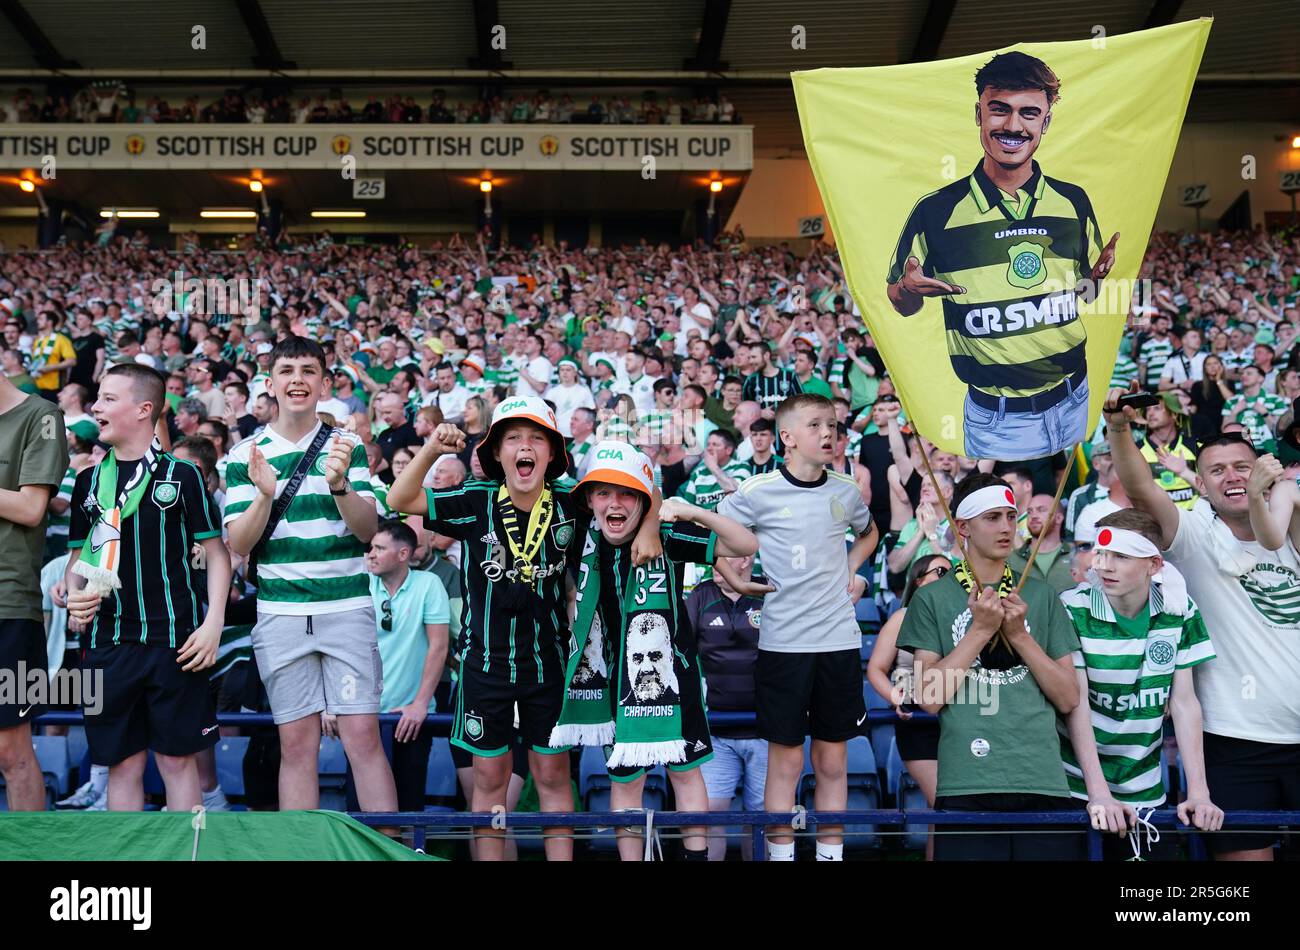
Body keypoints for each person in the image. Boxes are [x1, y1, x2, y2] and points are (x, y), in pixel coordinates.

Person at [386, 395, 662, 861]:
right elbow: (398, 499)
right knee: (489, 784)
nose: (524, 446)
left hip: (550, 667)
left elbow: (639, 490)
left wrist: (652, 523)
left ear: (553, 452)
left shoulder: (572, 502)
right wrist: (432, 450)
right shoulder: (475, 499)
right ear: (497, 453)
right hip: (482, 667)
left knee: (553, 777)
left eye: (536, 437)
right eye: (513, 437)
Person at [885, 51, 1118, 459]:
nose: (1013, 126)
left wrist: (1095, 281)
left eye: (1029, 113)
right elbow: (899, 304)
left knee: (1063, 514)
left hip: (1075, 397)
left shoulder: (1072, 201)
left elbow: (1084, 297)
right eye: (999, 110)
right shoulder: (935, 211)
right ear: (979, 114)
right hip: (997, 420)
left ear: (1045, 121)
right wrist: (908, 287)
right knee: (996, 519)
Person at [1104, 384, 1300, 861]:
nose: (1230, 477)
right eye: (1216, 470)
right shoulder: (1192, 533)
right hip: (1235, 738)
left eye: (1241, 466)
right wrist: (1119, 428)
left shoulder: (1292, 522)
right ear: (1201, 482)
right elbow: (1140, 485)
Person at [552, 442, 758, 861]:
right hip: (612, 680)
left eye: (627, 493)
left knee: (685, 773)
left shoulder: (666, 533)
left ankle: (696, 856)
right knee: (626, 781)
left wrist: (689, 510)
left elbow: (744, 542)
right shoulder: (576, 534)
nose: (614, 502)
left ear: (644, 503)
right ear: (589, 499)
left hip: (674, 677)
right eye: (604, 492)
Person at [223, 336, 397, 813]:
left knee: (362, 738)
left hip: (345, 609)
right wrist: (263, 494)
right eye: (286, 371)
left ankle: (385, 847)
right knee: (297, 744)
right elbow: (239, 544)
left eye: (307, 371)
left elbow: (366, 531)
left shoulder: (348, 447)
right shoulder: (244, 455)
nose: (296, 379)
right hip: (280, 613)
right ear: (271, 382)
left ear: (324, 382)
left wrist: (340, 484)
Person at [717, 393, 879, 861]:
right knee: (785, 762)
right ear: (787, 437)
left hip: (837, 642)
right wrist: (735, 580)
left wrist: (851, 567)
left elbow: (869, 532)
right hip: (783, 645)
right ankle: (782, 856)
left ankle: (831, 855)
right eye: (815, 425)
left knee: (832, 760)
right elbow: (717, 539)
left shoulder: (846, 490)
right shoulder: (756, 490)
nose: (827, 433)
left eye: (832, 425)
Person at [64, 364, 230, 811]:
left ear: (143, 410)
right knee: (122, 765)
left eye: (108, 399)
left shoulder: (183, 476)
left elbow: (217, 555)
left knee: (178, 763)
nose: (96, 406)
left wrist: (214, 622)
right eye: (98, 398)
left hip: (175, 641)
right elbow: (77, 563)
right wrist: (72, 594)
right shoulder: (88, 482)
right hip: (107, 642)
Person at [897, 472, 1081, 861]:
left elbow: (1068, 697)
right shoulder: (931, 598)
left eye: (1011, 516)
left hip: (1042, 778)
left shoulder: (1041, 593)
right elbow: (929, 699)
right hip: (967, 779)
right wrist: (980, 631)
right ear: (962, 526)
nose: (1007, 527)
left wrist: (1020, 637)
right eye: (992, 517)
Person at [1059, 509, 1222, 860]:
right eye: (1101, 553)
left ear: (1154, 565)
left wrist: (1198, 791)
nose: (1104, 566)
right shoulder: (1072, 608)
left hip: (1146, 789)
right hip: (1075, 787)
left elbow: (1184, 703)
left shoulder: (1181, 610)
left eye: (1120, 556)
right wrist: (1099, 794)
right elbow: (1076, 704)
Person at [0, 364, 69, 810]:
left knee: (11, 751)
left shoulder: (41, 415)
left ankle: (32, 856)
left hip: (8, 603)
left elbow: (31, 507)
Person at [358, 520, 449, 813]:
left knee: (409, 810)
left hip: (410, 717)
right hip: (361, 717)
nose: (370, 554)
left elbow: (439, 646)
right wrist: (337, 703)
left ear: (403, 554)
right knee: (361, 813)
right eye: (371, 547)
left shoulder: (428, 584)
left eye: (379, 548)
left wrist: (420, 704)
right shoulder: (359, 582)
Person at [867, 554, 951, 861]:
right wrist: (894, 696)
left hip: (956, 721)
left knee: (939, 810)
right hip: (918, 723)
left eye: (953, 572)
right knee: (943, 804)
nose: (949, 576)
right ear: (919, 580)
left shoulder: (961, 618)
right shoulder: (902, 617)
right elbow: (876, 669)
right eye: (940, 571)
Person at [686, 551, 768, 861]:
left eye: (724, 556)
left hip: (765, 730)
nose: (713, 562)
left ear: (746, 559)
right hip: (716, 731)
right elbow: (681, 648)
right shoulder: (701, 594)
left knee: (760, 818)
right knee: (712, 813)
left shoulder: (767, 592)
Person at [1138, 394, 1198, 509]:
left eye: (1157, 408)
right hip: (1153, 522)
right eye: (1148, 409)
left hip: (1192, 520)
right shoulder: (1136, 450)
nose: (1150, 413)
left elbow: (1208, 487)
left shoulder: (1195, 447)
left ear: (1174, 414)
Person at [1008, 493, 1074, 593]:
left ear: (1059, 518)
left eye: (1041, 510)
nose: (1033, 515)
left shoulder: (1076, 556)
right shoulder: (1011, 559)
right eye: (1029, 512)